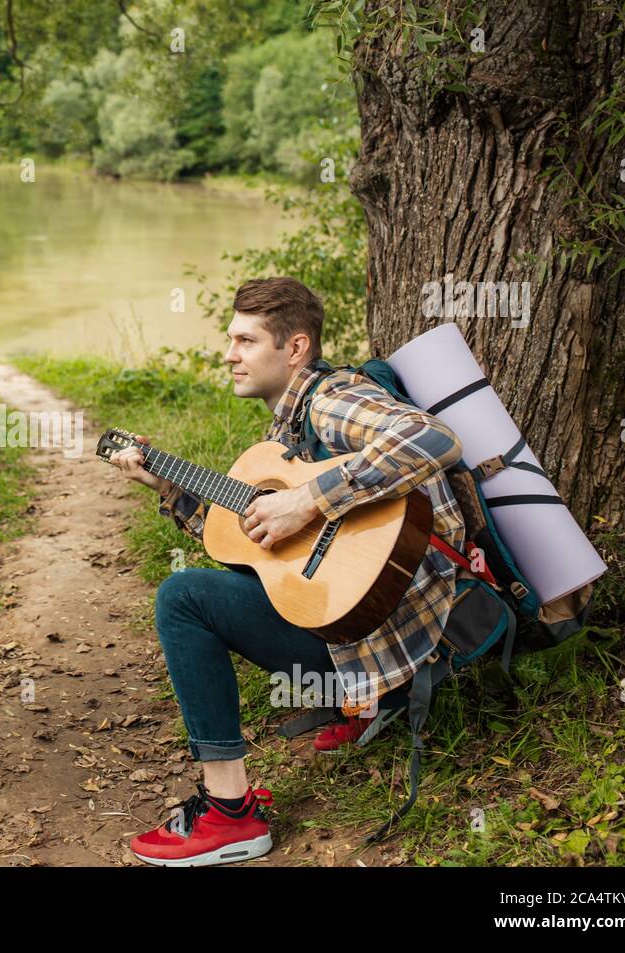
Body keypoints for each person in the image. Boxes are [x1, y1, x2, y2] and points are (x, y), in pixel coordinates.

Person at [111, 276, 466, 866]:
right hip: (366, 625)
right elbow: (251, 543)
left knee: (182, 597)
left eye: (246, 341)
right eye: (232, 340)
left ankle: (229, 815)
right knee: (236, 580)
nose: (230, 355)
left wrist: (308, 500)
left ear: (295, 347)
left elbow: (432, 436)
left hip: (392, 629)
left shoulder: (330, 400)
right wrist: (169, 487)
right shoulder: (284, 432)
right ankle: (373, 704)